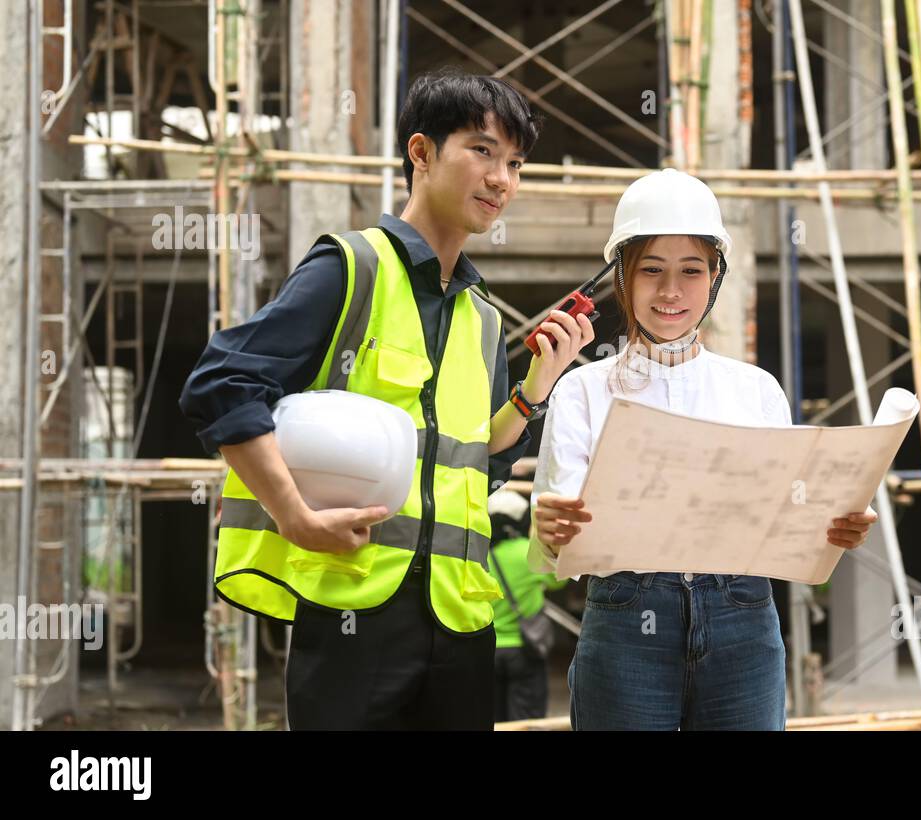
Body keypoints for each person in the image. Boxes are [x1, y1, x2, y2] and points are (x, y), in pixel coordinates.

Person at [179, 69, 594, 730]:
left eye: (515, 163)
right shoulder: (351, 268)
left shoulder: (481, 319)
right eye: (482, 151)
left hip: (461, 619)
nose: (501, 179)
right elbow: (222, 381)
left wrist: (534, 388)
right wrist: (292, 514)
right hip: (354, 612)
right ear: (421, 153)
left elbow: (472, 467)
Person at [527, 169, 877, 731]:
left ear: (714, 278)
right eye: (652, 271)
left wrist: (833, 527)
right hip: (626, 618)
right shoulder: (581, 390)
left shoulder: (756, 390)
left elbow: (786, 519)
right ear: (623, 277)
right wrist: (551, 529)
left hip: (742, 618)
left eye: (691, 271)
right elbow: (553, 548)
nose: (671, 292)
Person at [486, 490, 568, 723]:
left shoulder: (478, 553)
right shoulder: (527, 551)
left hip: (488, 648)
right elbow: (556, 582)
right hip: (525, 648)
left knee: (493, 720)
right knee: (527, 721)